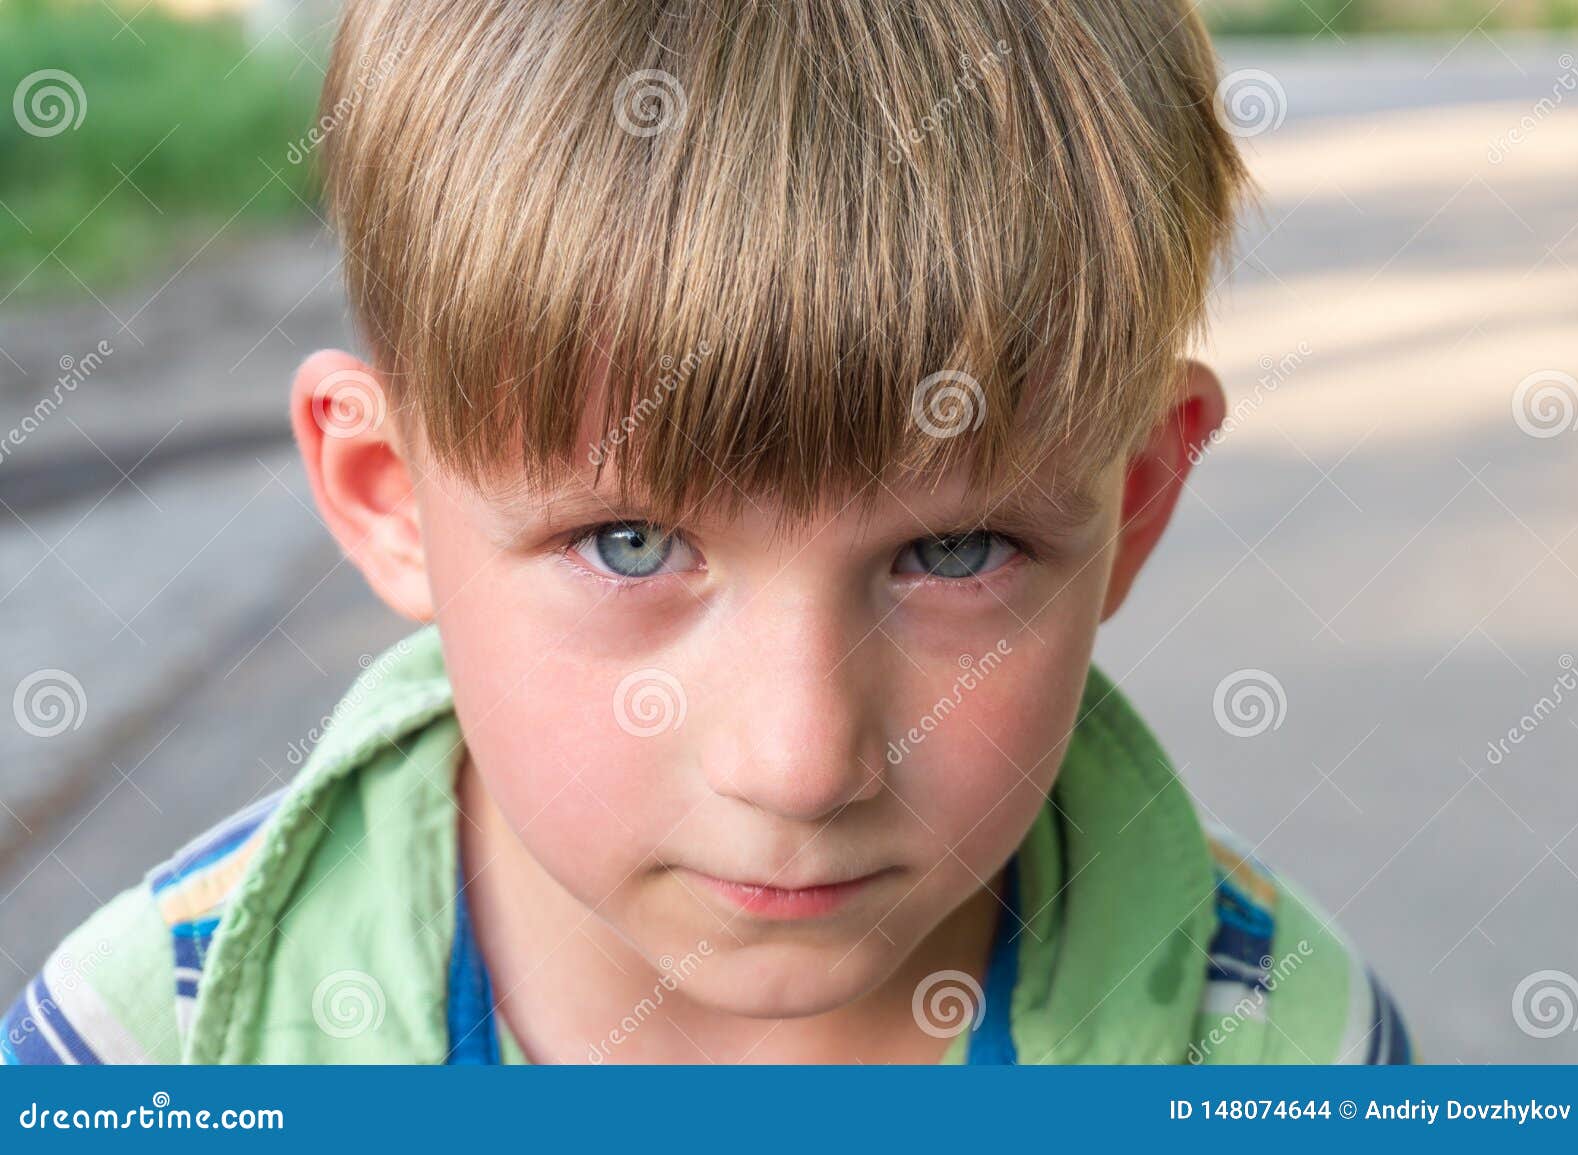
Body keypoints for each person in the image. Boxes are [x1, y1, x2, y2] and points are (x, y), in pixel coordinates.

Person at [3, 0, 1411, 1065]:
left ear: (1138, 499)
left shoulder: (1289, 1050)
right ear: (389, 499)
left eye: (955, 552)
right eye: (629, 546)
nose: (802, 766)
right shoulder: (149, 1050)